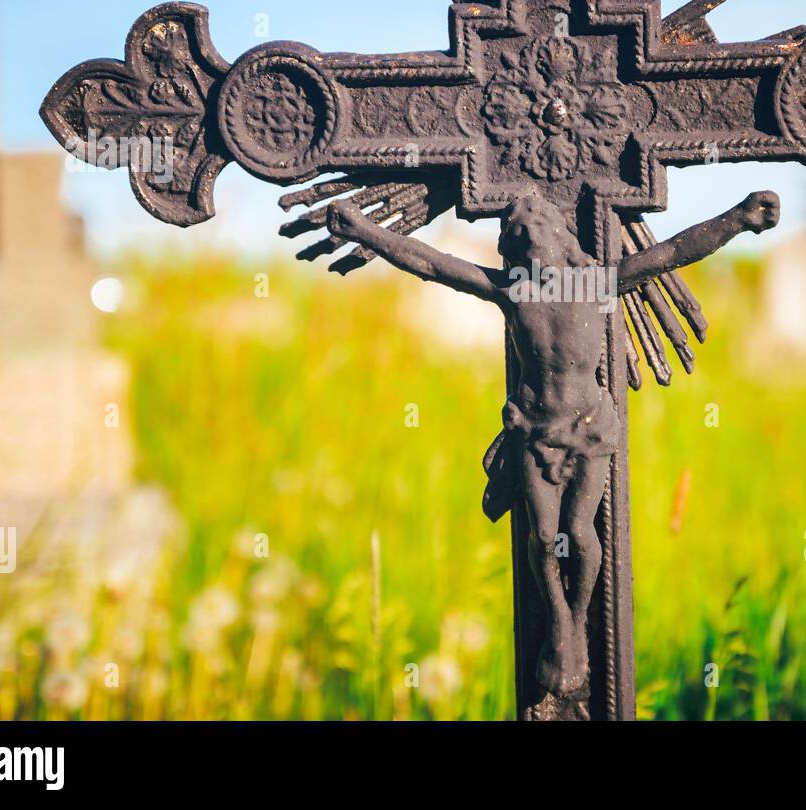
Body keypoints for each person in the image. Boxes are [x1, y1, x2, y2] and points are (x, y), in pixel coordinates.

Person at [327, 189, 780, 697]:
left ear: (562, 238)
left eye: (536, 237)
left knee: (581, 531)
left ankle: (577, 620)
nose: (528, 249)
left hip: (589, 430)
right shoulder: (512, 291)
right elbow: (431, 263)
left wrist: (738, 218)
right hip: (538, 436)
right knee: (544, 538)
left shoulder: (595, 283)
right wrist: (364, 231)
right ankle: (560, 621)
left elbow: (673, 252)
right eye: (518, 244)